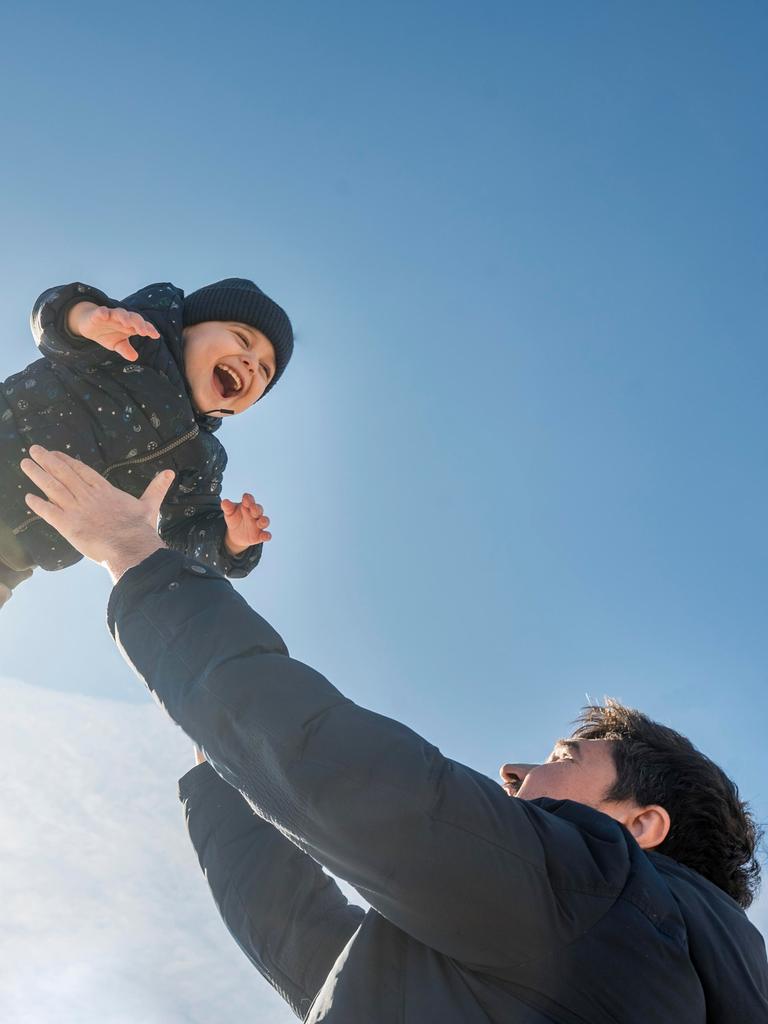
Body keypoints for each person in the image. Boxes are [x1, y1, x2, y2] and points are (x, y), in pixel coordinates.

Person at [18, 446, 768, 1023]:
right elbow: (312, 948)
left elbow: (348, 777)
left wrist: (137, 559)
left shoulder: (599, 897)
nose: (511, 771)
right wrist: (224, 760)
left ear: (642, 824)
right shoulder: (630, 961)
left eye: (564, 758)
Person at [0, 277, 293, 606]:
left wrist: (231, 542)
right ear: (188, 327)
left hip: (13, 551)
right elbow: (54, 317)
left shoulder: (200, 457)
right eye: (242, 339)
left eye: (265, 371)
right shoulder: (134, 339)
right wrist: (82, 318)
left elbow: (182, 534)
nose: (252, 364)